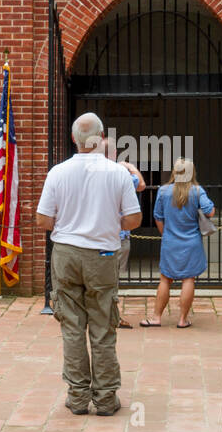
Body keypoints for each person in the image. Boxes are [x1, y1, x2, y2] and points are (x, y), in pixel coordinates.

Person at [36, 113, 142, 415]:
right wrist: (106, 222)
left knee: (72, 325)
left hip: (66, 253)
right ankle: (106, 398)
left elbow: (44, 220)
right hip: (103, 255)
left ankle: (78, 396)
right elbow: (134, 219)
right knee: (103, 326)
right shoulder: (117, 173)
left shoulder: (57, 172)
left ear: (74, 139)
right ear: (100, 137)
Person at [141, 158, 214, 328]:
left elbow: (158, 216)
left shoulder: (164, 191)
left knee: (165, 279)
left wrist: (166, 233)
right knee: (189, 279)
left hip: (170, 241)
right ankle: (182, 319)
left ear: (175, 172)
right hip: (192, 242)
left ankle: (156, 318)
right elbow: (209, 211)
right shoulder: (197, 191)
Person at [102, 135, 146, 328]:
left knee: (96, 278)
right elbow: (142, 184)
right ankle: (112, 317)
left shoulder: (90, 172)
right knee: (113, 280)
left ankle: (96, 315)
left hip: (95, 235)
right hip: (118, 237)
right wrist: (129, 165)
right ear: (115, 153)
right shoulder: (121, 173)